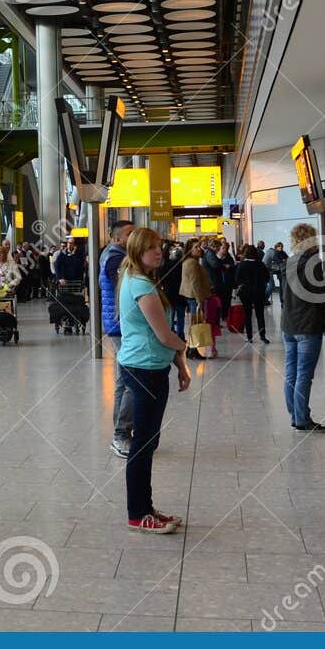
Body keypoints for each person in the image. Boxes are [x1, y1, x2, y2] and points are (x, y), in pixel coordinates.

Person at [115, 226, 190, 534]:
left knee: (146, 442)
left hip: (148, 366)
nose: (159, 251)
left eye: (159, 246)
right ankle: (138, 513)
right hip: (144, 369)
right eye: (151, 248)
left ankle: (145, 507)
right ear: (137, 252)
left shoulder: (137, 278)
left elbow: (158, 335)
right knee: (143, 445)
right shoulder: (142, 286)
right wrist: (185, 347)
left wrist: (179, 365)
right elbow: (163, 335)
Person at [281, 223, 325, 430]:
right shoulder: (313, 263)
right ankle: (302, 418)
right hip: (308, 325)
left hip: (289, 324)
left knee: (291, 372)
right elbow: (320, 295)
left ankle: (294, 415)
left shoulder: (290, 262)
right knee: (304, 374)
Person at [100, 220, 136, 457]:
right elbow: (126, 289)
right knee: (133, 380)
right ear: (117, 238)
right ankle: (121, 434)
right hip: (121, 325)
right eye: (129, 234)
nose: (134, 237)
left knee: (125, 380)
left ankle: (121, 432)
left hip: (121, 324)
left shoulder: (118, 255)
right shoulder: (115, 258)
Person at [179, 241, 213, 359]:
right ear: (190, 250)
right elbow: (195, 283)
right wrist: (199, 300)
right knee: (195, 324)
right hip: (194, 297)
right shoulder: (192, 263)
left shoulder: (189, 261)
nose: (199, 249)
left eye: (199, 247)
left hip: (191, 296)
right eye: (196, 247)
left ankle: (192, 348)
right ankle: (193, 349)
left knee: (195, 323)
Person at [234, 245, 270, 344]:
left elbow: (237, 279)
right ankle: (263, 336)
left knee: (247, 314)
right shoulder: (260, 264)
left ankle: (249, 337)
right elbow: (267, 277)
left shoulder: (242, 264)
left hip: (245, 293)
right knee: (260, 314)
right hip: (259, 292)